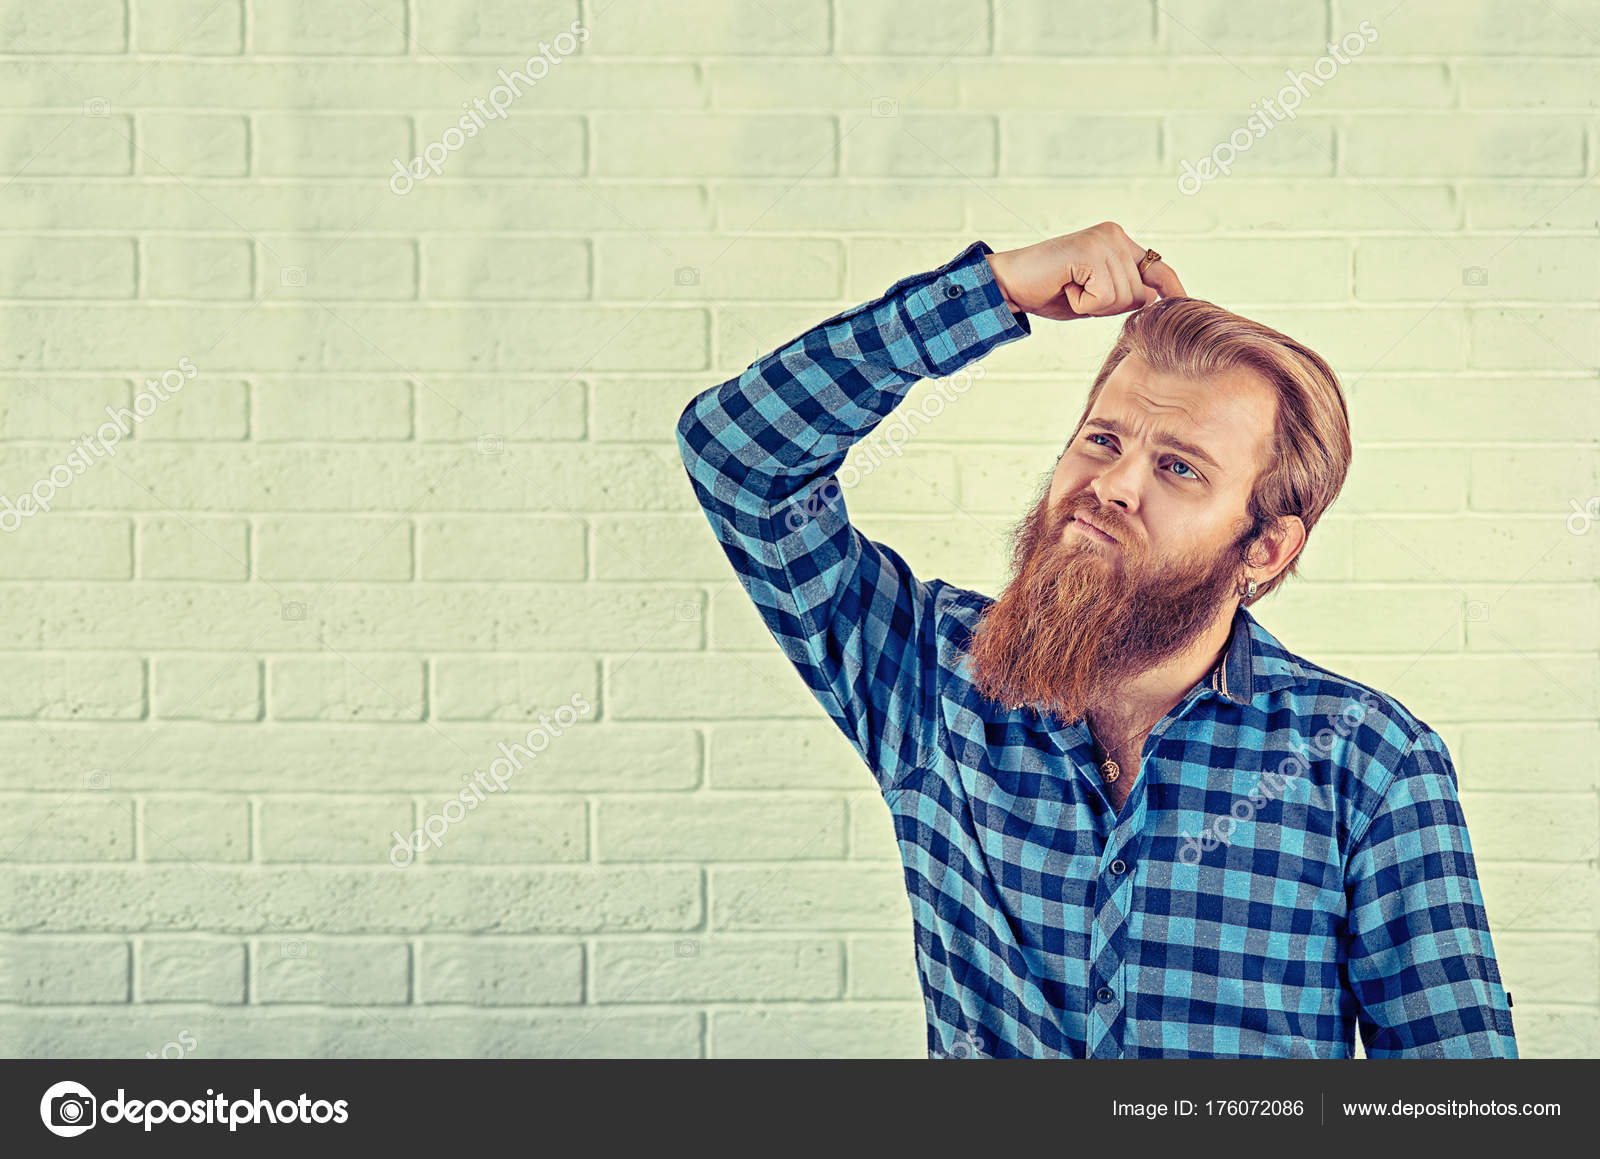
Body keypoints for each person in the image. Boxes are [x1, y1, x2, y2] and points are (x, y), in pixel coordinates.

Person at [675, 221, 1516, 1059]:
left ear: (1265, 546)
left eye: (1179, 467)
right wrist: (993, 290)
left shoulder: (1368, 763)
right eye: (1103, 440)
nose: (1110, 485)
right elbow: (739, 460)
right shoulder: (932, 678)